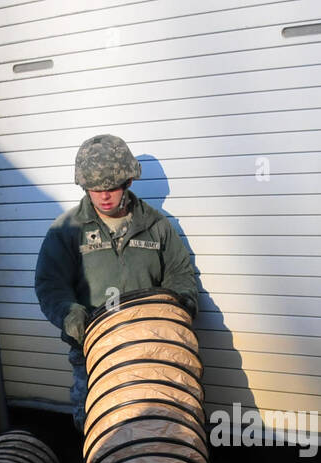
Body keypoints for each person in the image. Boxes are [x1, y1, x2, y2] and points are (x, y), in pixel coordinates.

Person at [34, 134, 200, 430]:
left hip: (151, 348)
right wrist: (70, 315)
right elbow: (50, 285)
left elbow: (180, 274)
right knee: (98, 428)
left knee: (158, 424)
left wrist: (182, 306)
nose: (104, 196)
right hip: (94, 352)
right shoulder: (66, 231)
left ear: (128, 182)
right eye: (95, 189)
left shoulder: (156, 226)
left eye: (111, 187)